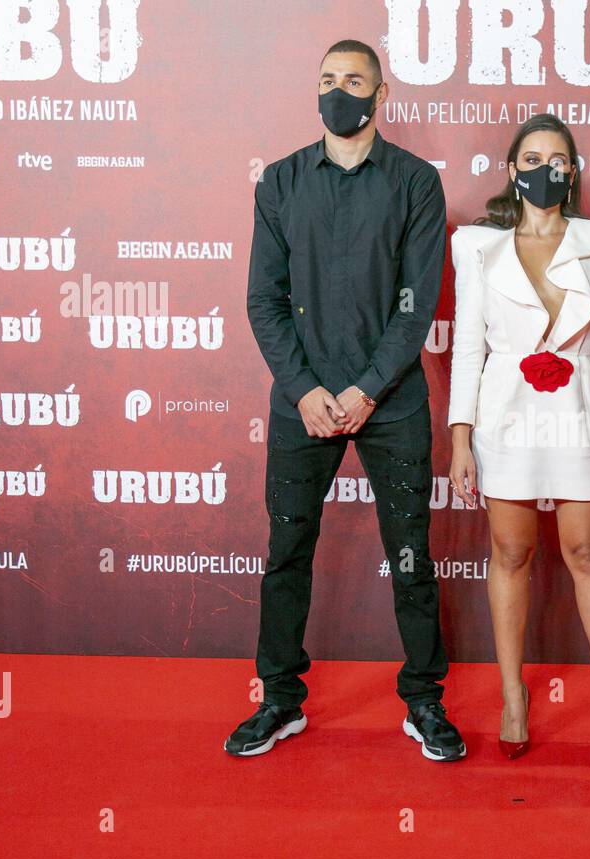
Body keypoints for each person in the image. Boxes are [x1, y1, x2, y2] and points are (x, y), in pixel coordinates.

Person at [225, 39, 465, 761]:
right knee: (286, 552)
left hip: (388, 403)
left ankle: (424, 700)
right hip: (302, 405)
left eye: (354, 80)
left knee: (412, 555)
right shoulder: (281, 182)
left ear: (381, 93)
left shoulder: (417, 183)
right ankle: (280, 700)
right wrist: (305, 390)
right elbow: (263, 302)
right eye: (328, 80)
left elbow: (416, 306)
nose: (339, 91)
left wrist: (364, 389)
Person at [446, 114, 590, 768]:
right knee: (510, 551)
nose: (544, 169)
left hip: (579, 416)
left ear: (572, 172)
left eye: (558, 159)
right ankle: (512, 696)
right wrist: (460, 439)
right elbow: (468, 348)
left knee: (586, 551)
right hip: (505, 420)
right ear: (511, 169)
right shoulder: (478, 249)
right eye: (532, 157)